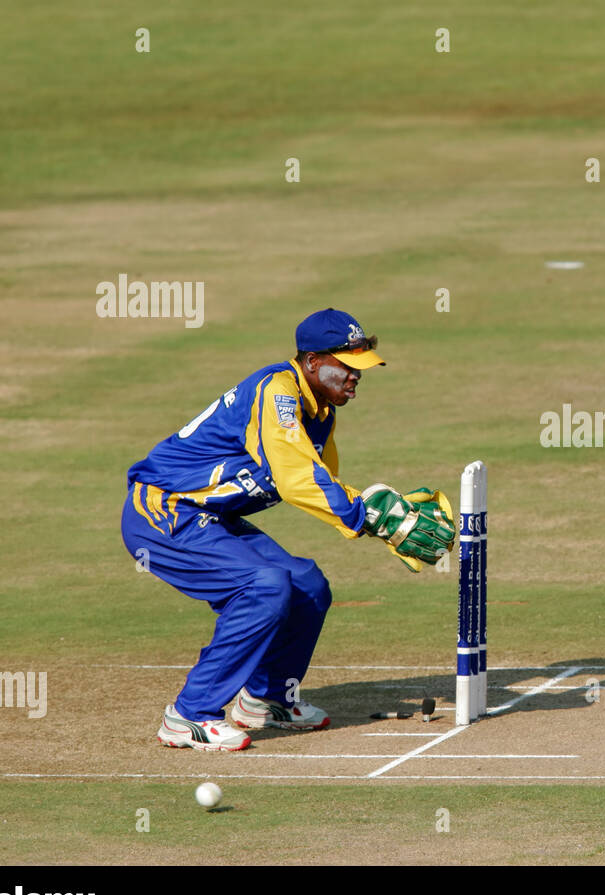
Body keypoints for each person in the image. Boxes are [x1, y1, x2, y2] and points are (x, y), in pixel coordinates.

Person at [121, 308, 456, 751]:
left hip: (211, 517)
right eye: (348, 368)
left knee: (308, 585)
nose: (357, 378)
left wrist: (367, 513)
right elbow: (297, 479)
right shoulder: (276, 393)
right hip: (163, 511)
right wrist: (365, 515)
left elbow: (322, 480)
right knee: (264, 588)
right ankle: (189, 716)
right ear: (313, 362)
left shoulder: (320, 412)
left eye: (362, 369)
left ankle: (267, 699)